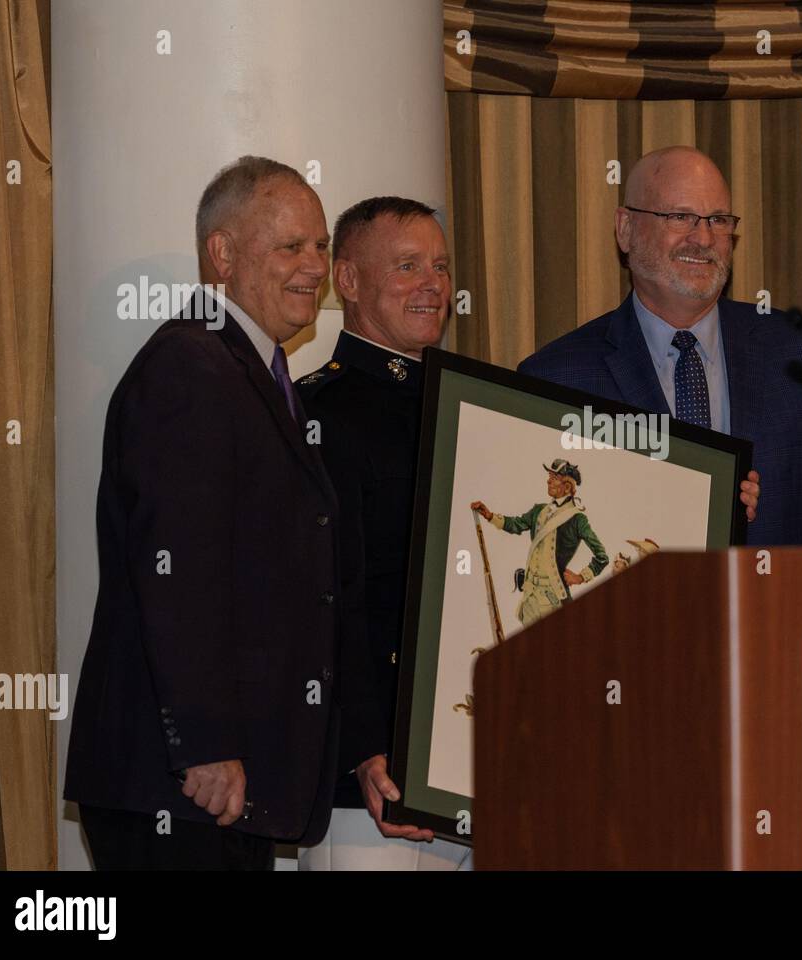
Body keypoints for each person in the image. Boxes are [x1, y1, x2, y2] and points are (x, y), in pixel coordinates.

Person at [64, 156, 377, 869]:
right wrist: (204, 744)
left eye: (321, 246)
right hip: (181, 784)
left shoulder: (249, 371)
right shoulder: (192, 368)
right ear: (222, 254)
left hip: (209, 784)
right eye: (291, 245)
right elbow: (177, 570)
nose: (314, 266)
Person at [518, 145, 802, 546]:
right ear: (625, 229)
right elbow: (552, 540)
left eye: (718, 219)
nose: (703, 237)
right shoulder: (556, 379)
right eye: (679, 216)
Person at [295, 196, 470, 870]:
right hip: (374, 789)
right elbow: (326, 602)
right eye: (406, 266)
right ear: (348, 281)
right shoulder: (316, 414)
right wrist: (365, 747)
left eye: (440, 266)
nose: (432, 284)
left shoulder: (474, 406)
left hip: (477, 763)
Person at [471, 458, 610, 627]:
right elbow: (516, 524)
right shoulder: (539, 510)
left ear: (567, 487)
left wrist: (580, 577)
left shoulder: (577, 519)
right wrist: (490, 516)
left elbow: (602, 556)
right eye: (549, 476)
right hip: (530, 594)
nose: (548, 480)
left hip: (552, 599)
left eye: (554, 477)